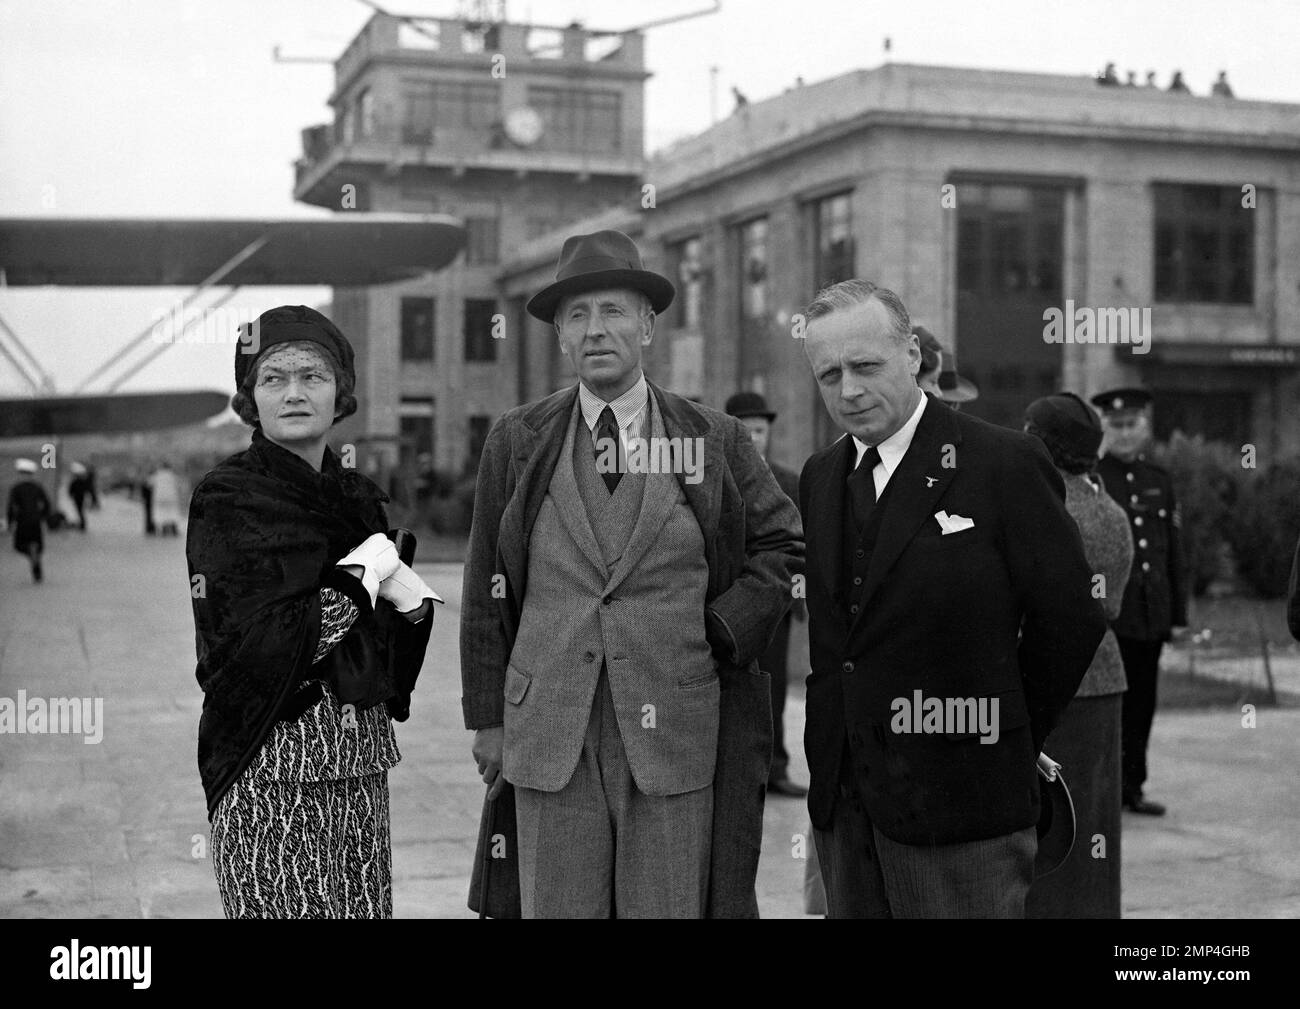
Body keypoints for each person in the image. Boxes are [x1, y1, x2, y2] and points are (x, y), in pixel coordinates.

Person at [462, 230, 803, 918]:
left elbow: (784, 544)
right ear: (560, 333)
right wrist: (489, 718)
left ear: (647, 324)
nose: (597, 331)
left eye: (614, 311)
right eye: (578, 316)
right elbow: (484, 586)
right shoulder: (519, 439)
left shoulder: (709, 437)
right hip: (550, 730)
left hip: (673, 727)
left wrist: (723, 628)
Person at [798, 279, 1105, 918]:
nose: (848, 390)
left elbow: (1071, 620)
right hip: (845, 807)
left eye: (865, 366)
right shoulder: (821, 477)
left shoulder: (1004, 463)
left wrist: (1006, 733)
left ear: (913, 355)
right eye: (829, 374)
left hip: (964, 806)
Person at [188, 305, 441, 918]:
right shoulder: (229, 499)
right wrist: (356, 583)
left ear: (340, 394)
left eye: (313, 377)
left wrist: (412, 612)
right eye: (273, 378)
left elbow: (379, 656)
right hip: (268, 770)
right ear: (250, 398)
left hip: (357, 764)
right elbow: (259, 645)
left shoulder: (357, 500)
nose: (294, 393)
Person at [1022, 393, 1134, 918]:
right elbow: (1109, 604)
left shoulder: (1042, 504)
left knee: (1050, 827)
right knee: (1094, 825)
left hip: (1053, 679)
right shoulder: (1108, 508)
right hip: (1104, 678)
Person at [1090, 387, 1188, 816]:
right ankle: (1106, 788)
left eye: (1133, 425)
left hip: (1150, 615)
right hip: (1113, 615)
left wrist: (1178, 616)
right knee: (1111, 706)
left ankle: (1134, 786)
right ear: (1105, 429)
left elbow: (1174, 553)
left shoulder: (1159, 481)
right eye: (1117, 426)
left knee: (1144, 703)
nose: (1126, 434)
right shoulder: (1094, 478)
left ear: (1145, 428)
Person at [725, 390, 808, 798]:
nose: (755, 439)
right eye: (747, 431)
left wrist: (799, 597)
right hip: (727, 608)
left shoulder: (787, 481)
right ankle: (736, 772)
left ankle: (775, 766)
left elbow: (799, 545)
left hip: (776, 606)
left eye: (760, 431)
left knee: (772, 687)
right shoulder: (715, 480)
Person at [7, 458, 51, 582]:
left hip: (22, 521)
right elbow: (47, 504)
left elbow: (11, 507)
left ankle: (31, 554)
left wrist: (10, 523)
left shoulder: (16, 488)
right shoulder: (37, 487)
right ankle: (36, 564)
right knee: (38, 546)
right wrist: (43, 517)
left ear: (21, 473)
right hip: (36, 521)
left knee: (19, 545)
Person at [149, 460, 183, 537]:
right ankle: (174, 528)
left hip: (159, 498)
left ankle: (162, 529)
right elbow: (179, 485)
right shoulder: (173, 475)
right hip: (171, 498)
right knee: (173, 513)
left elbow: (149, 483)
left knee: (160, 514)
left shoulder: (157, 474)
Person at [69, 462, 92, 532]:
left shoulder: (76, 482)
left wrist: (71, 495)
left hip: (78, 498)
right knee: (80, 511)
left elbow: (71, 490)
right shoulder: (82, 481)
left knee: (80, 511)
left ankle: (82, 524)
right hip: (81, 497)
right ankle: (82, 524)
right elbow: (87, 489)